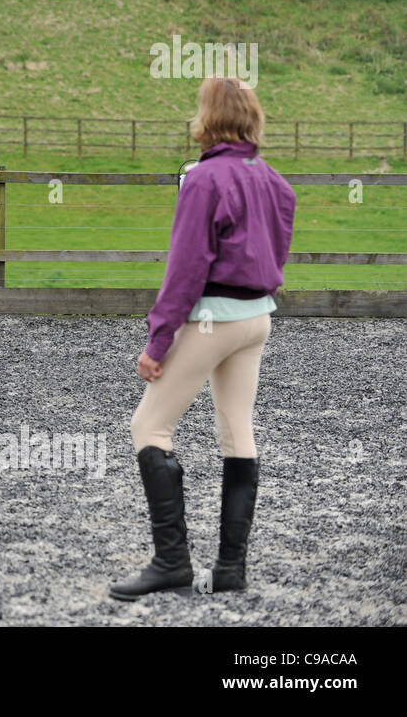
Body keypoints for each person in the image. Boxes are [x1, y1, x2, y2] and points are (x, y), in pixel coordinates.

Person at [110, 76, 296, 601]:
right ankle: (230, 570)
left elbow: (186, 269)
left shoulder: (203, 179)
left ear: (208, 117)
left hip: (213, 317)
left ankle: (172, 563)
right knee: (238, 431)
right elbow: (275, 254)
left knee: (149, 424)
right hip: (257, 317)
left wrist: (158, 340)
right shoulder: (276, 181)